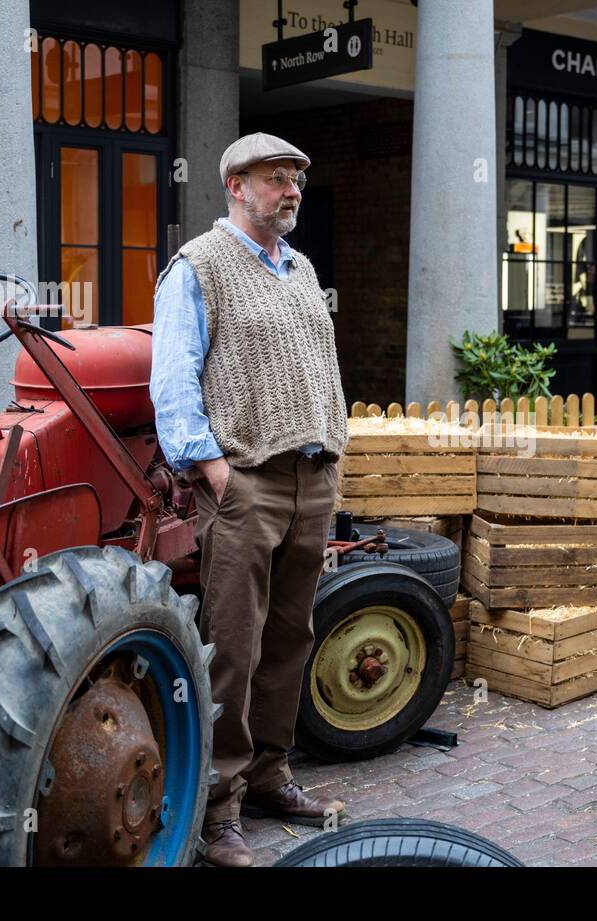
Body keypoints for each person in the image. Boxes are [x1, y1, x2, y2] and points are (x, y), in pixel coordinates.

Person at [150, 132, 349, 867]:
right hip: (246, 483)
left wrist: (336, 455)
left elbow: (326, 374)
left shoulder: (300, 269)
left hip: (312, 478)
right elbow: (172, 380)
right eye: (276, 178)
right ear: (236, 185)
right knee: (232, 646)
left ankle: (271, 775)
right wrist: (212, 470)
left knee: (290, 639)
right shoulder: (199, 267)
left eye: (296, 177)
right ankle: (218, 809)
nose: (291, 190)